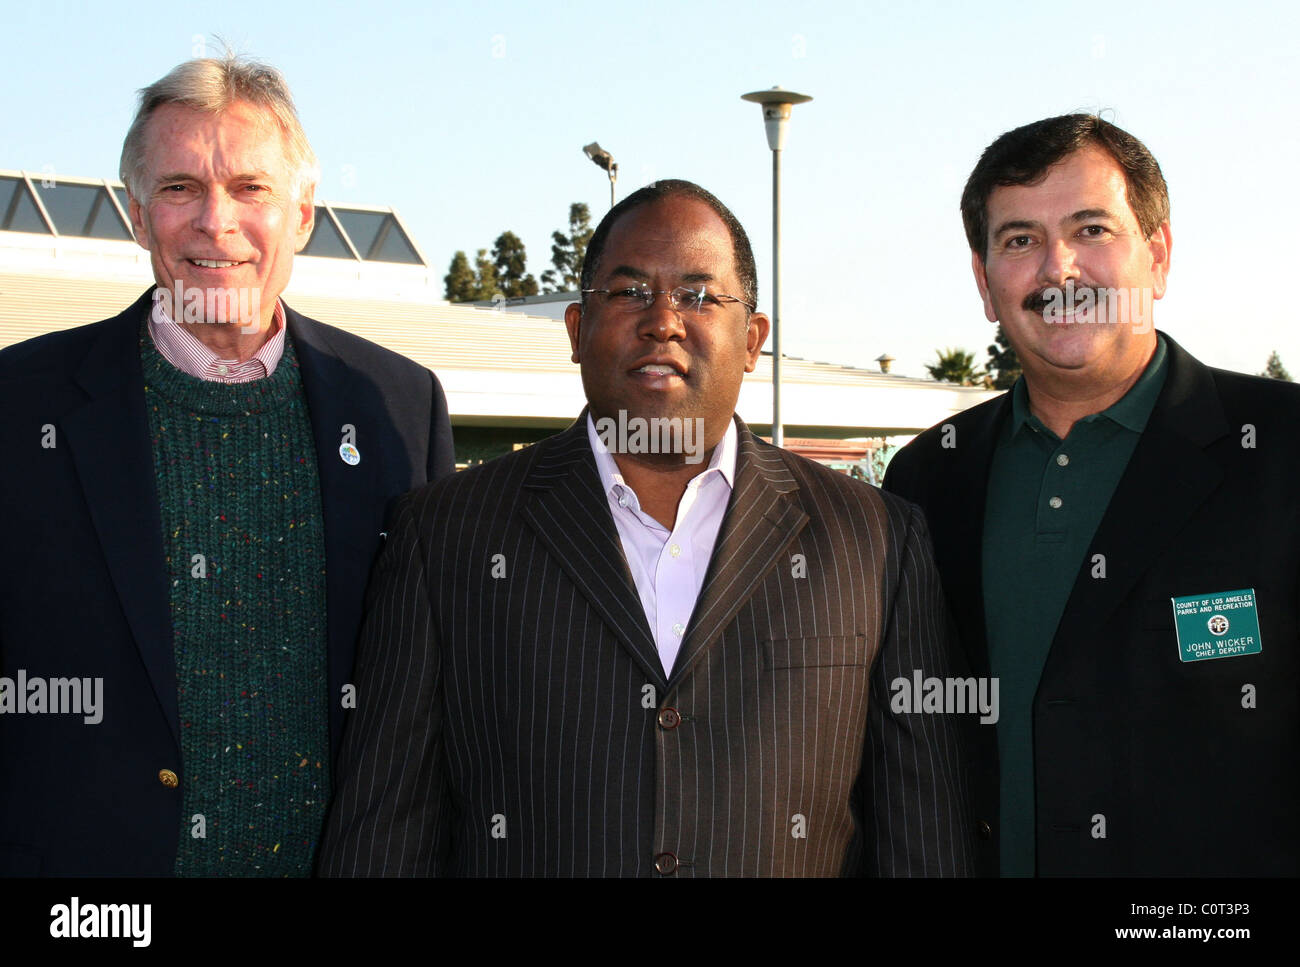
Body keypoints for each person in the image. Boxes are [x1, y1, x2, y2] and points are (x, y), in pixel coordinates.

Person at [318, 179, 972, 877]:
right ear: (576, 331)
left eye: (698, 294)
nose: (663, 320)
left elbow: (922, 835)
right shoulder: (445, 534)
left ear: (752, 341)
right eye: (629, 292)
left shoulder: (872, 539)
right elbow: (385, 832)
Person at [0, 54, 454, 876]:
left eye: (251, 188)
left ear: (304, 214)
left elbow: (439, 704)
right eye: (179, 188)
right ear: (138, 216)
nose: (217, 221)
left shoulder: (400, 409)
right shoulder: (16, 406)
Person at [884, 114, 1300, 876]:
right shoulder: (924, 479)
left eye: (1091, 229)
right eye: (1019, 240)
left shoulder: (1282, 450)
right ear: (984, 282)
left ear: (1159, 255)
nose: (1059, 269)